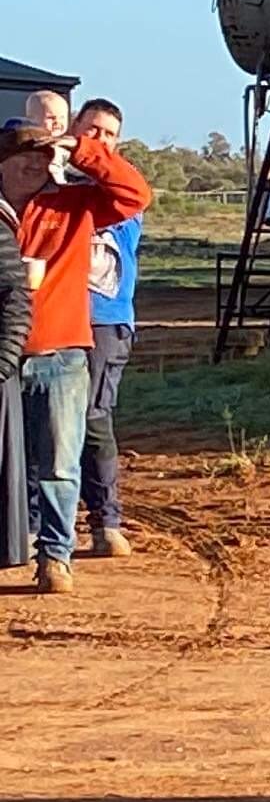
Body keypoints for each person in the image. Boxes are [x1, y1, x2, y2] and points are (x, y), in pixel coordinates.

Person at [10, 87, 147, 592]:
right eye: (24, 155)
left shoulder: (74, 205)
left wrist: (83, 149)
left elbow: (134, 195)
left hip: (63, 349)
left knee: (61, 462)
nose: (35, 164)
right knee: (13, 461)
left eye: (43, 155)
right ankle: (16, 541)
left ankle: (56, 556)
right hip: (6, 354)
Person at [72, 101, 139, 558]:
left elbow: (128, 196)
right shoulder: (53, 181)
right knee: (43, 421)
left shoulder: (121, 187)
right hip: (53, 319)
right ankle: (34, 524)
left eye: (109, 133)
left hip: (105, 319)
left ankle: (106, 521)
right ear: (76, 127)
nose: (99, 138)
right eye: (92, 128)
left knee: (93, 418)